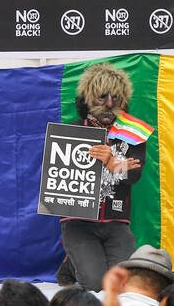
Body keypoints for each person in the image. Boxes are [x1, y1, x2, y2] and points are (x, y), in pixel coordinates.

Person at [59, 63, 146, 288]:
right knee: (96, 285)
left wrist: (110, 162)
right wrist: (117, 165)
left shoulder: (133, 134)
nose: (109, 104)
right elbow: (57, 181)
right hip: (79, 223)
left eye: (115, 98)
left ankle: (77, 262)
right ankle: (71, 265)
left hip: (116, 222)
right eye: (101, 98)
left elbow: (133, 176)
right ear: (87, 99)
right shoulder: (71, 132)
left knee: (122, 284)